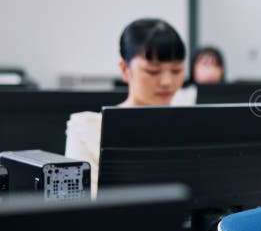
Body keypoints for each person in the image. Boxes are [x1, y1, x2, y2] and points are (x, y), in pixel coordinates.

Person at [65, 18, 187, 194]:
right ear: (124, 69)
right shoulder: (88, 129)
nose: (167, 81)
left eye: (176, 70)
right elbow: (83, 205)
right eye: (153, 71)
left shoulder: (189, 125)